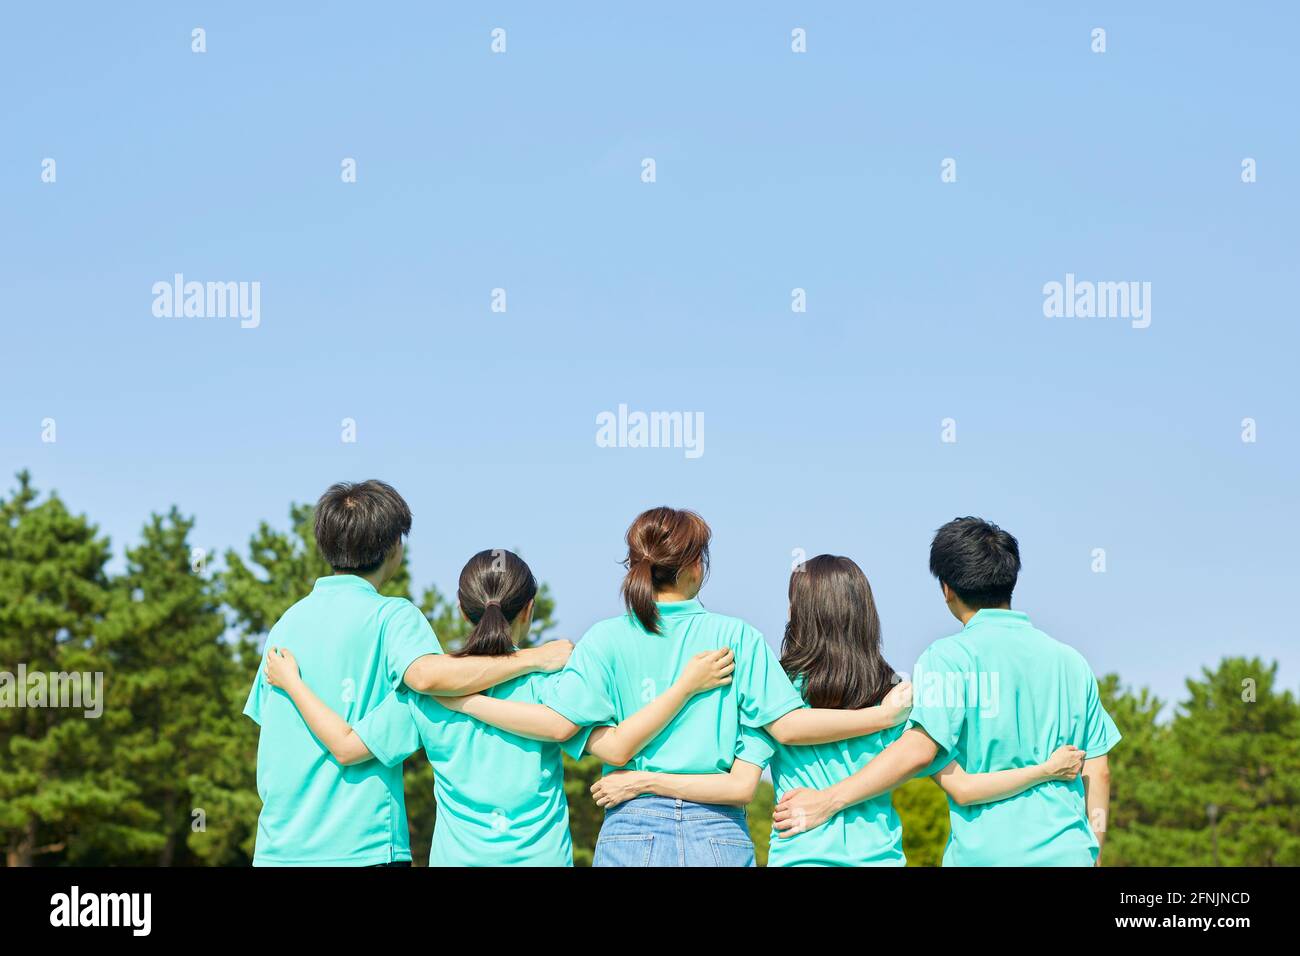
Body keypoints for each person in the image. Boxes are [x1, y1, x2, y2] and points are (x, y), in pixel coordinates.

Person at [450, 508, 912, 866]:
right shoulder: (738, 638)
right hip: (720, 833)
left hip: (631, 826)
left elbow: (559, 726)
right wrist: (880, 716)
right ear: (695, 566)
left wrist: (466, 697)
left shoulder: (604, 640)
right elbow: (787, 726)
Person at [592, 554, 1085, 865]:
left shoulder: (777, 687)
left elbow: (745, 777)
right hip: (880, 857)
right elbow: (961, 785)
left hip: (801, 856)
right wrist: (1045, 771)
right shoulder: (895, 692)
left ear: (798, 613)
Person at [263, 549, 735, 866]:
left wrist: (294, 684)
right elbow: (614, 740)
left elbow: (347, 747)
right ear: (528, 609)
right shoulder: (551, 678)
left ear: (461, 608)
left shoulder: (426, 694)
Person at [243, 482, 570, 866]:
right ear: (394, 547)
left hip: (279, 848)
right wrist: (532, 659)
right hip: (361, 846)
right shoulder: (393, 617)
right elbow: (428, 678)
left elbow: (277, 731)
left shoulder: (286, 624)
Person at [773, 519, 1122, 867]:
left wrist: (828, 801)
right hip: (1071, 853)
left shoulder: (949, 659)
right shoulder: (1071, 662)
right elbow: (1098, 770)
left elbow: (924, 755)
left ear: (946, 588)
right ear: (1010, 578)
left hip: (988, 856)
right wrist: (1092, 850)